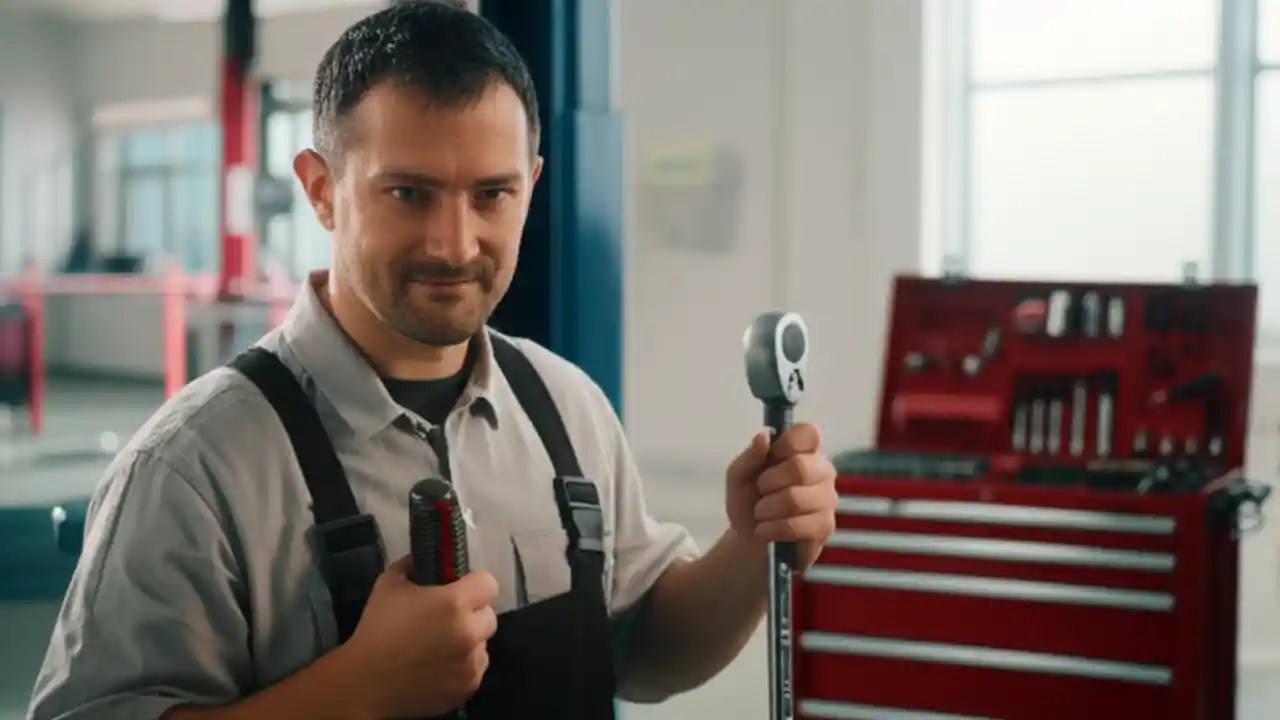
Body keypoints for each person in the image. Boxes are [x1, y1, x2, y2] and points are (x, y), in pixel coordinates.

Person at [27, 3, 838, 719]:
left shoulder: (567, 408)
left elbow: (647, 655)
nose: (454, 244)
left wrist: (750, 549)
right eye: (408, 193)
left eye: (491, 194)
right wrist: (353, 694)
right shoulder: (193, 467)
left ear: (531, 186)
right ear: (321, 190)